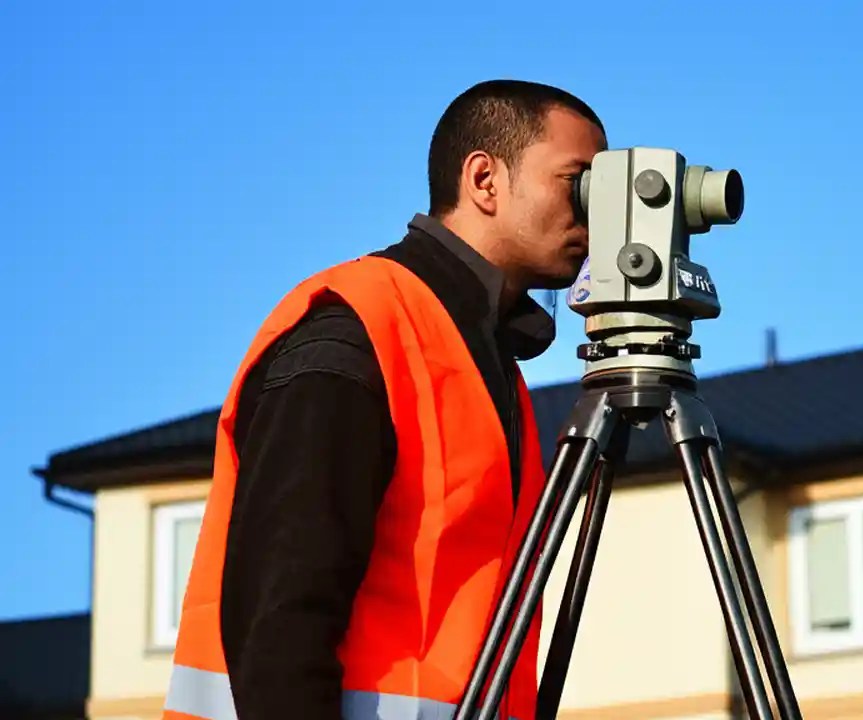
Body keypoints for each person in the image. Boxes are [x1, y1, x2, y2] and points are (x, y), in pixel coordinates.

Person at [162, 79, 607, 720]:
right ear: (485, 180)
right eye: (578, 181)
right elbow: (281, 618)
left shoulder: (486, 362)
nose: (593, 213)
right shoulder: (361, 326)